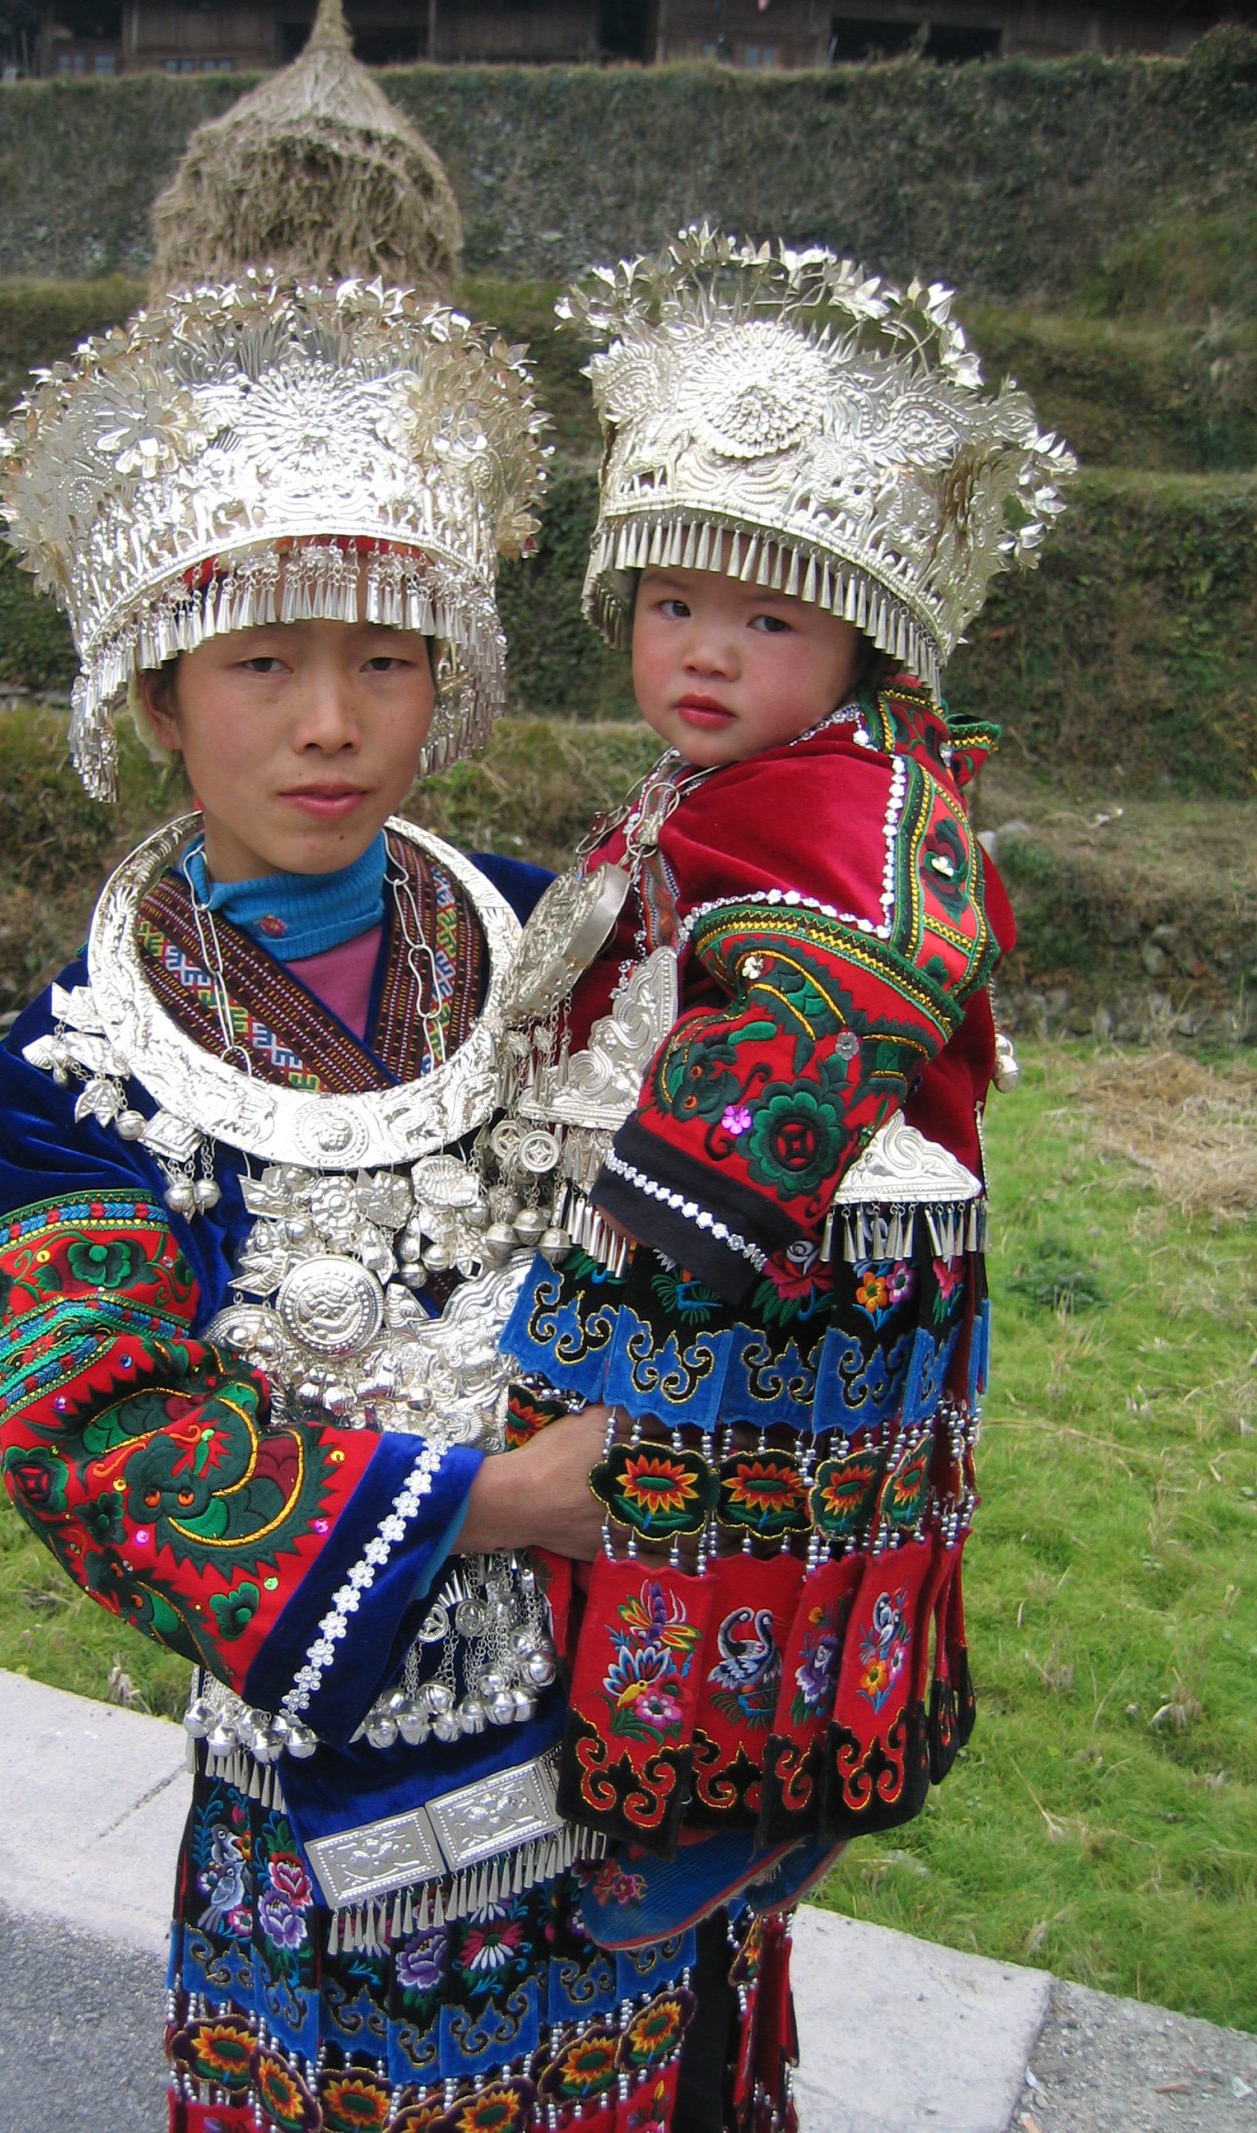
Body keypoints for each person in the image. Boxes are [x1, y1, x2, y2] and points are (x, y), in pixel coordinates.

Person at [0, 276, 713, 2133]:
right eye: (259, 662)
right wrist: (492, 1497)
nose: (328, 723)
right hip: (330, 1821)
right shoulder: (80, 1078)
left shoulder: (555, 939)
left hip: (627, 1733)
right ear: (151, 691)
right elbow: (102, 1439)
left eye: (383, 659)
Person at [491, 229, 1075, 2127]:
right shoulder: (720, 778)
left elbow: (837, 996)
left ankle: (730, 1803)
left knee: (721, 1543)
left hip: (783, 1268)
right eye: (672, 603)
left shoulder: (862, 797)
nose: (704, 650)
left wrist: (658, 1231)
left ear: (858, 644)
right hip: (712, 1241)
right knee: (658, 1521)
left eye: (764, 620)